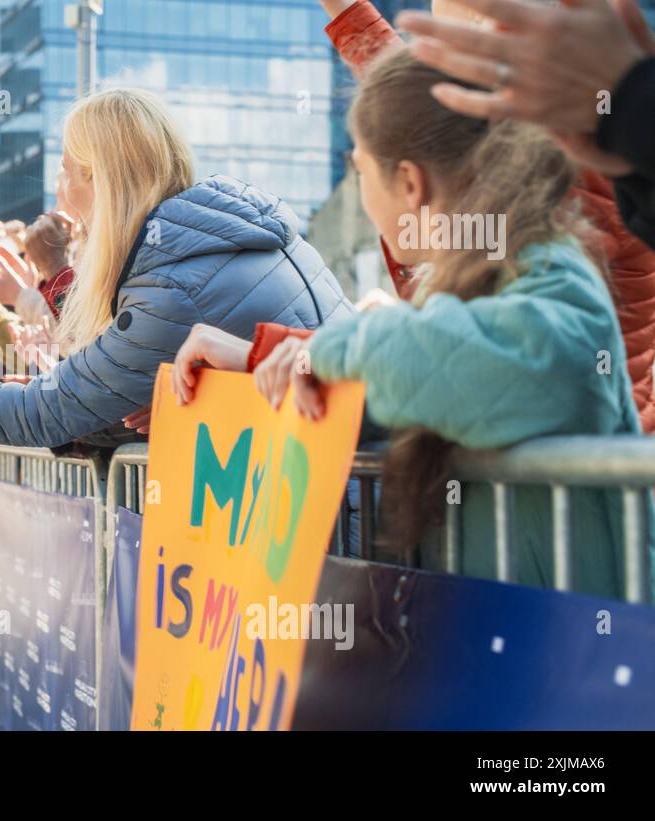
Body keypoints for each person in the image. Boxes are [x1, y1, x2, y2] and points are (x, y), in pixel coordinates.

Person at [174, 48, 652, 601]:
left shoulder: (552, 273)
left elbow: (472, 362)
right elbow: (414, 380)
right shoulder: (477, 288)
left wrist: (329, 351)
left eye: (360, 173)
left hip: (586, 657)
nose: (364, 197)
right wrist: (265, 359)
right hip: (527, 647)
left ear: (408, 182)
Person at [0, 88, 351, 450]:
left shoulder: (171, 286)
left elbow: (44, 413)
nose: (60, 197)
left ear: (100, 179)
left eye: (65, 175)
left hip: (327, 545)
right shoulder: (228, 230)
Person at [318, 0, 655, 432]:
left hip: (600, 475)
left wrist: (320, 353)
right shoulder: (518, 203)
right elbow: (414, 112)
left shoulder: (556, 249)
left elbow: (419, 116)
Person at [395, 0, 655, 248]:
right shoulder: (594, 134)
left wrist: (627, 99)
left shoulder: (540, 154)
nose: (459, 68)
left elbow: (398, 116)